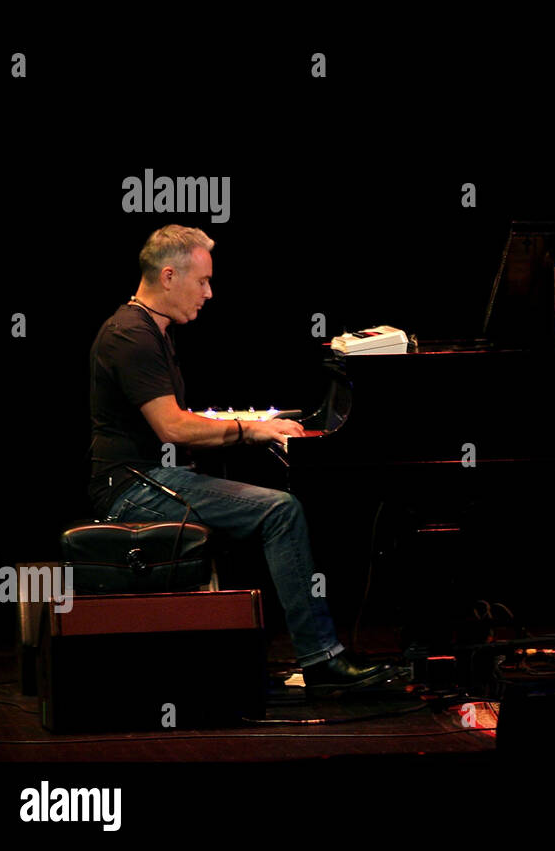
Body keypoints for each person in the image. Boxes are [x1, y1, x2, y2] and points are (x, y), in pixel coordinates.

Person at [88, 224, 394, 694]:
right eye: (202, 281)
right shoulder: (132, 336)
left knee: (260, 498)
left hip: (153, 477)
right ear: (168, 276)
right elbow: (172, 427)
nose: (209, 293)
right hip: (132, 489)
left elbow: (173, 418)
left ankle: (249, 660)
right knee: (279, 509)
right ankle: (321, 661)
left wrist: (249, 420)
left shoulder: (152, 329)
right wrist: (250, 429)